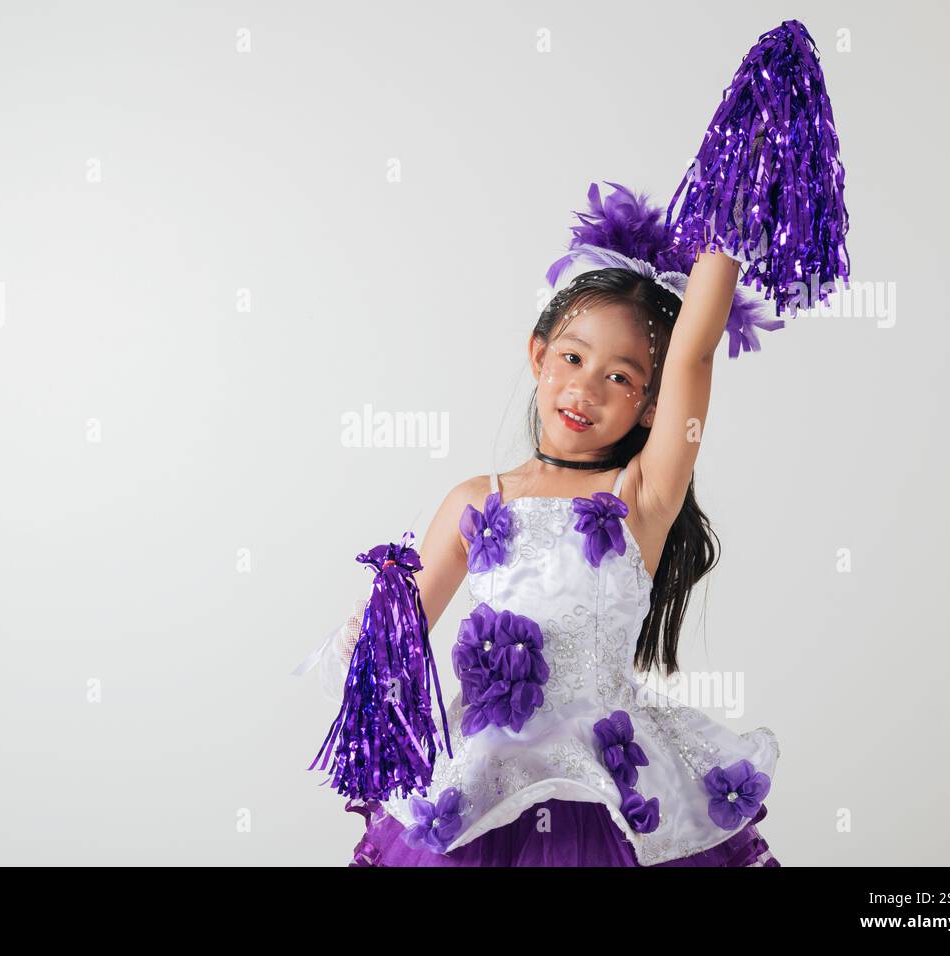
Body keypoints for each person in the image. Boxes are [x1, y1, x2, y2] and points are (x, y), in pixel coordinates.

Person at [303, 182, 784, 867]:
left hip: (603, 784)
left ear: (652, 405)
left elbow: (695, 353)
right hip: (486, 777)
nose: (586, 388)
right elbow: (402, 645)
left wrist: (738, 190)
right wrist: (367, 636)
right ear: (538, 355)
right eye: (573, 358)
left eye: (622, 377)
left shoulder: (642, 495)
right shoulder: (477, 499)